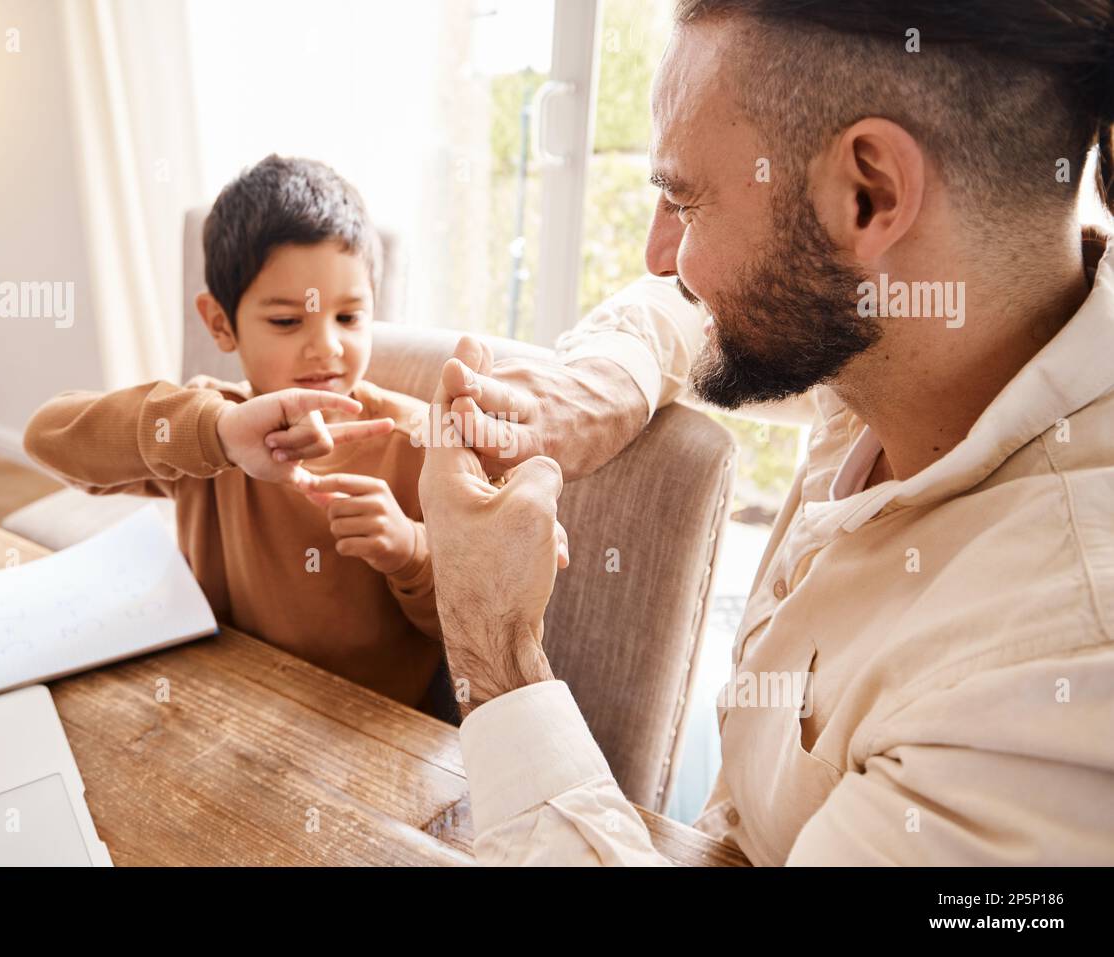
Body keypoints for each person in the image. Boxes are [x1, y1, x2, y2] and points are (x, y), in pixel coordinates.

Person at [412, 1, 1114, 863]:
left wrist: (495, 645)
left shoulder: (1049, 689)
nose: (657, 255)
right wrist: (600, 387)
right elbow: (672, 312)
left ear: (870, 196)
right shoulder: (918, 331)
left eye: (685, 201)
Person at [24, 155, 451, 715]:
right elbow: (47, 437)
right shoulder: (204, 426)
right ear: (220, 323)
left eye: (349, 318)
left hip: (365, 733)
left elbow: (467, 625)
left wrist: (410, 552)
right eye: (286, 321)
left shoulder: (418, 441)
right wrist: (217, 436)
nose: (326, 347)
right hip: (224, 707)